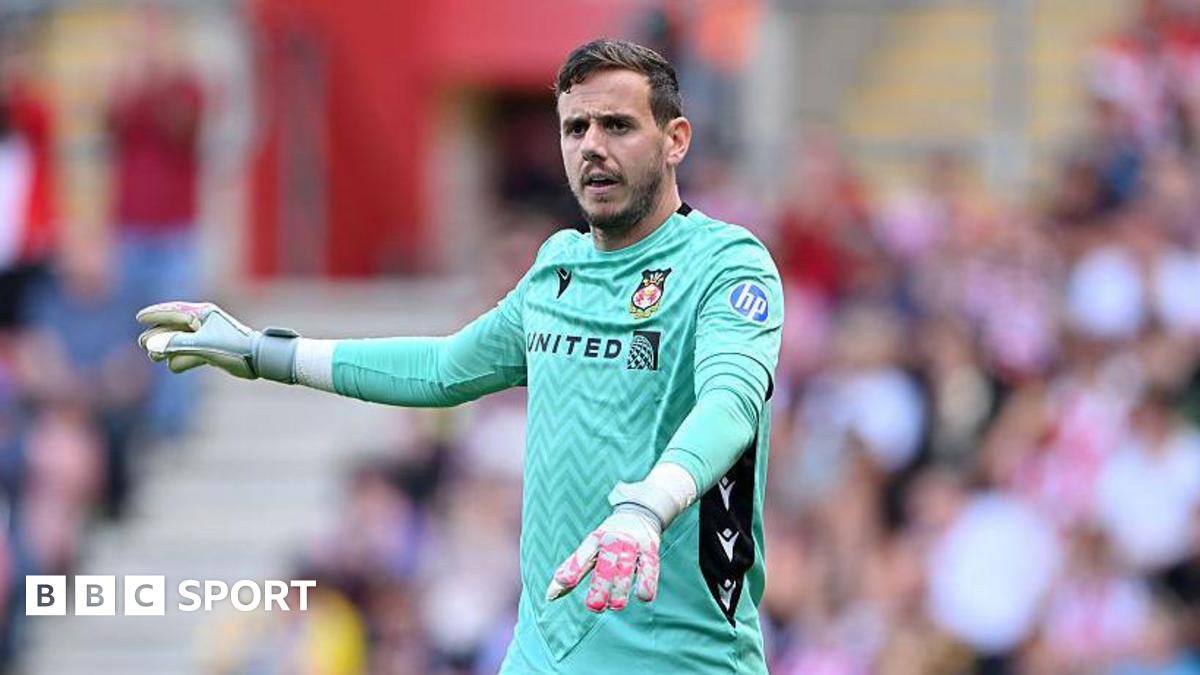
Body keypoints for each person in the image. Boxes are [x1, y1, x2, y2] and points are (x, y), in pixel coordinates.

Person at [136, 39, 783, 673]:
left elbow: (730, 404)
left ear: (676, 140)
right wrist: (261, 351)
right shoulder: (556, 269)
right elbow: (443, 369)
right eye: (574, 127)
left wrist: (648, 505)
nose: (592, 146)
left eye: (617, 125)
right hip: (544, 652)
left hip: (683, 655)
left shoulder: (727, 263)